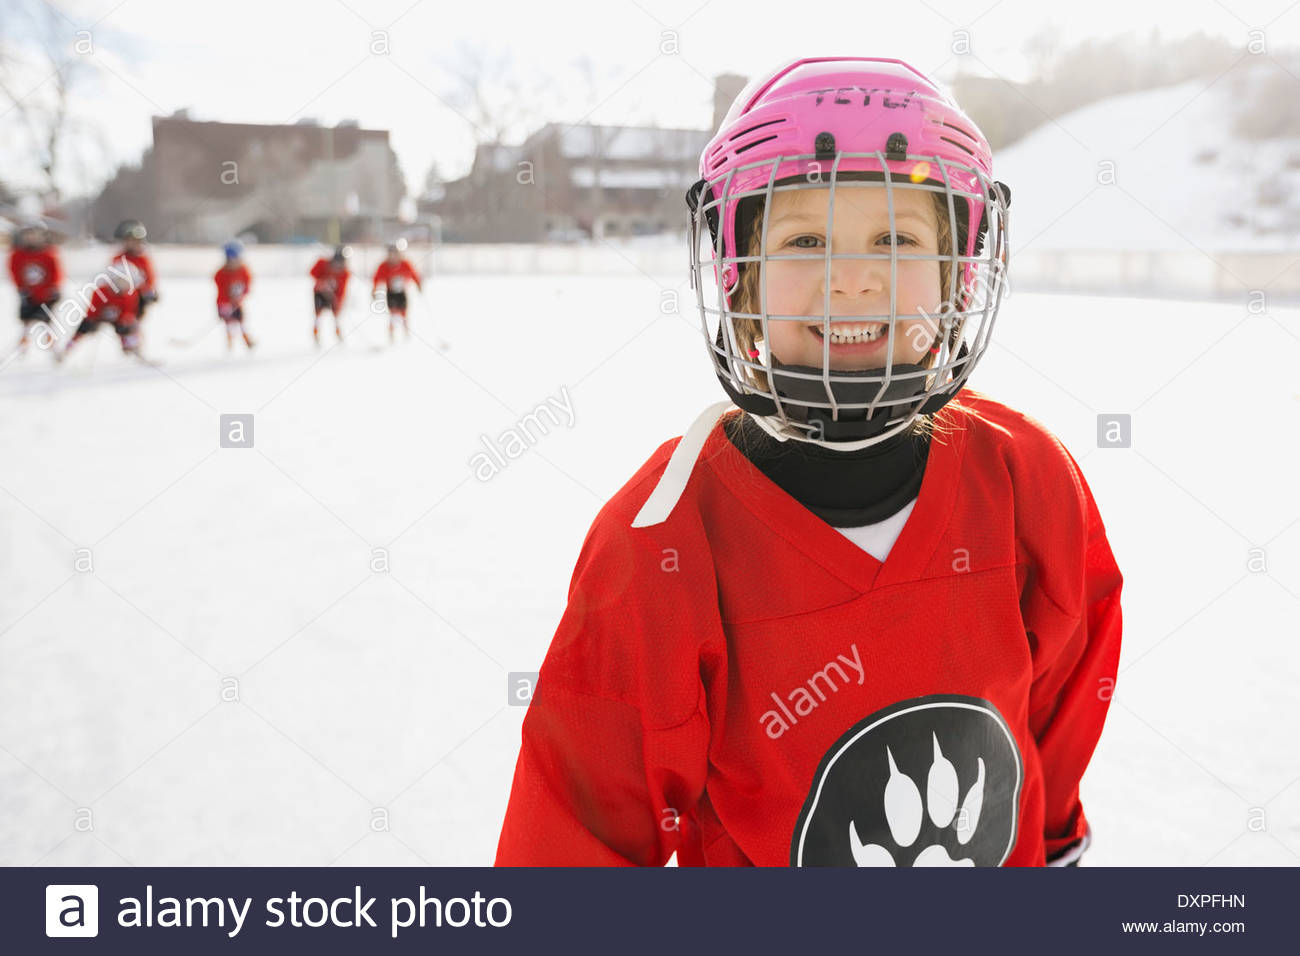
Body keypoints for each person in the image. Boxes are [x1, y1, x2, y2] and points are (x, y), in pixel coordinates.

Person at [495, 58, 1123, 868]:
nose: (854, 278)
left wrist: (1053, 847)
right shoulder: (659, 544)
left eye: (898, 238)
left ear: (958, 272)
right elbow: (577, 839)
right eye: (804, 240)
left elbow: (1061, 710)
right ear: (739, 275)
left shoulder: (1027, 478)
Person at [55, 264, 145, 361]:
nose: (124, 284)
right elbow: (93, 309)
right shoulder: (101, 291)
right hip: (98, 316)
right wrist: (93, 320)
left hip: (119, 318)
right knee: (83, 328)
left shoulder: (131, 294)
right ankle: (66, 351)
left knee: (130, 327)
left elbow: (129, 312)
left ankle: (133, 349)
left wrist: (124, 321)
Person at [7, 219, 62, 355]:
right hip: (28, 294)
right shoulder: (18, 254)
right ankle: (23, 346)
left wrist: (54, 288)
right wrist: (21, 289)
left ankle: (53, 348)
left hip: (45, 294)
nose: (31, 237)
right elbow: (14, 272)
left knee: (47, 322)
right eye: (28, 234)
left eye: (35, 234)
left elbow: (56, 272)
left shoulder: (49, 253)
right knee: (27, 320)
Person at [371, 238, 422, 342]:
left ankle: (406, 334)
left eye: (395, 253)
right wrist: (374, 290)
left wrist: (418, 285)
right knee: (393, 313)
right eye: (391, 253)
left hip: (402, 292)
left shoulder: (405, 264)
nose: (393, 256)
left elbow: (414, 275)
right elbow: (376, 278)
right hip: (391, 292)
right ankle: (391, 335)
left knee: (404, 313)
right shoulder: (384, 266)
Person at [111, 219, 158, 322]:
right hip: (119, 298)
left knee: (133, 319)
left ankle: (133, 332)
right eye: (128, 240)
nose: (131, 244)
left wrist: (149, 291)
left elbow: (150, 279)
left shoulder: (143, 260)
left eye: (134, 241)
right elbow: (111, 278)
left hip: (138, 299)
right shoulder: (119, 258)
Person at [215, 241, 255, 350]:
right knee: (230, 324)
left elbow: (248, 283)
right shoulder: (221, 273)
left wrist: (243, 294)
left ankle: (247, 340)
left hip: (237, 303)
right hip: (225, 304)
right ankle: (229, 343)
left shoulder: (243, 270)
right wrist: (226, 304)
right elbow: (221, 290)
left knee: (241, 321)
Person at [309, 245, 351, 344]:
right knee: (318, 315)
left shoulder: (345, 273)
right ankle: (316, 335)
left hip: (333, 297)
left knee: (336, 317)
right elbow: (312, 273)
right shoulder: (323, 263)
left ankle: (339, 335)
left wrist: (339, 302)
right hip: (320, 294)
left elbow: (342, 290)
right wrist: (322, 283)